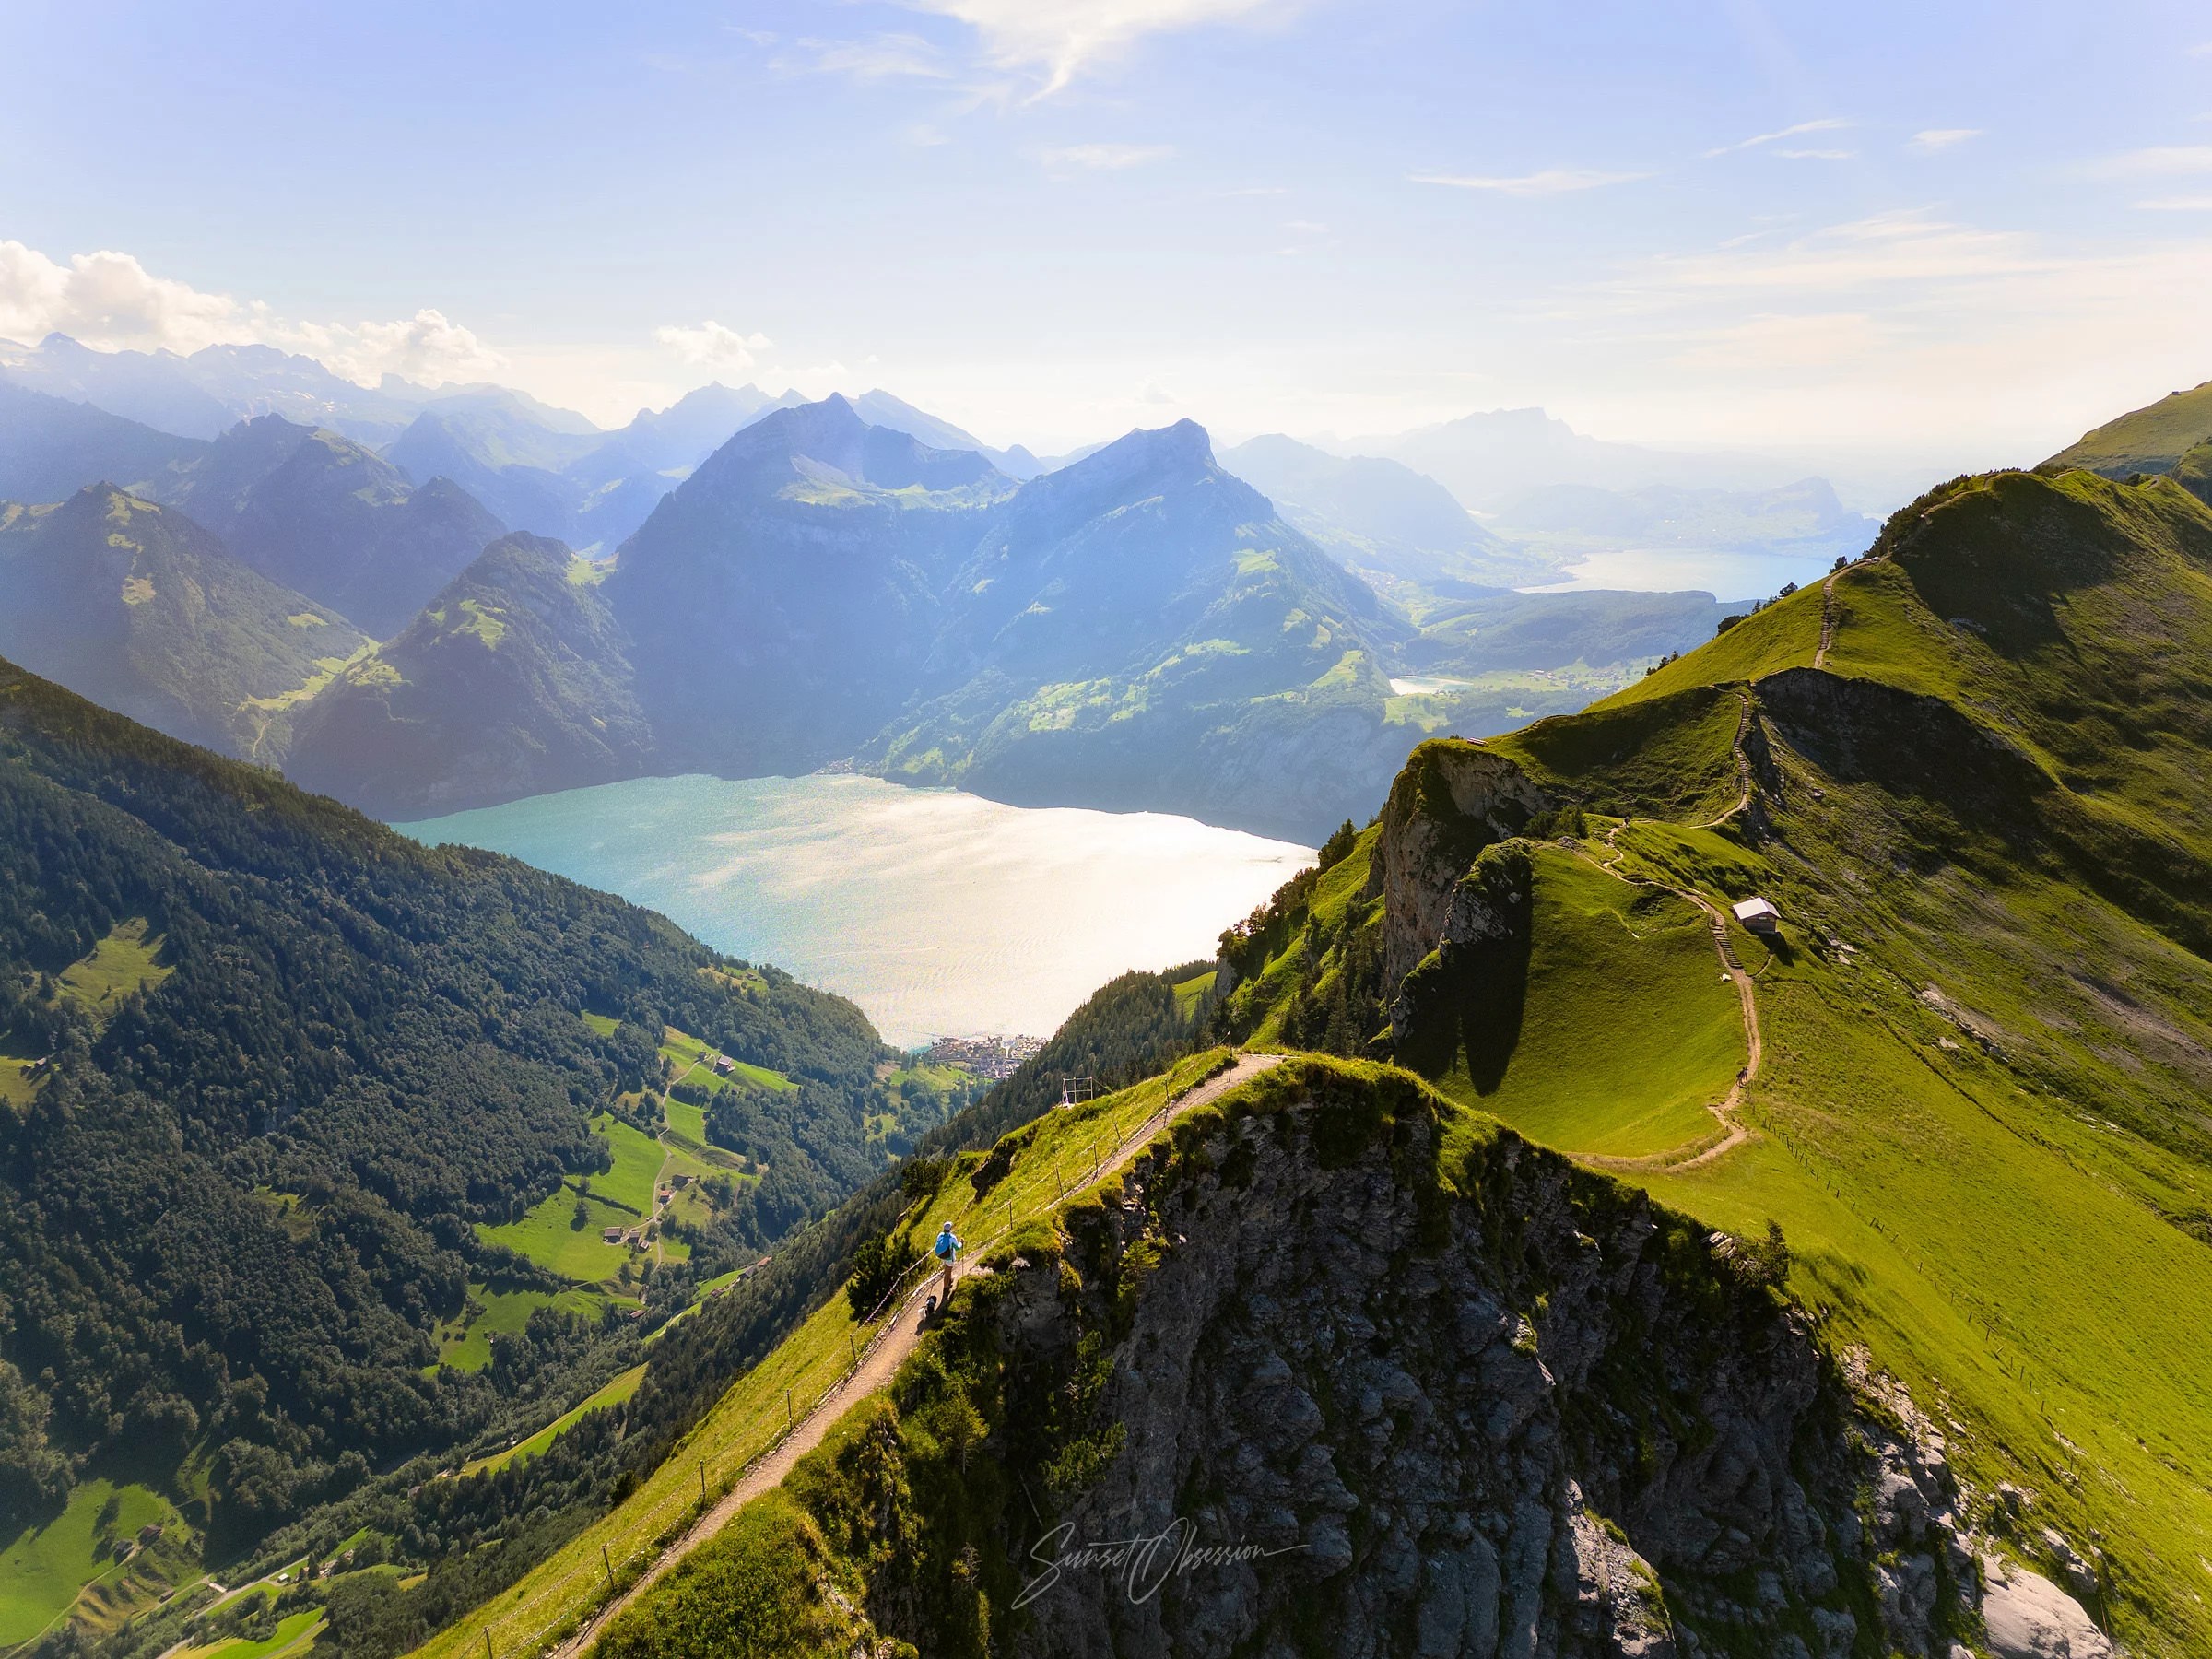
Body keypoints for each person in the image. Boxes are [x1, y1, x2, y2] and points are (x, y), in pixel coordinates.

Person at [933, 1221, 961, 1310]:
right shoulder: (952, 1238)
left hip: (942, 1256)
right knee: (948, 1272)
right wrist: (961, 1243)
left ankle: (949, 1279)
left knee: (946, 1269)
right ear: (950, 1229)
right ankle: (946, 1288)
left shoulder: (940, 1235)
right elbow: (957, 1248)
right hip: (949, 1257)